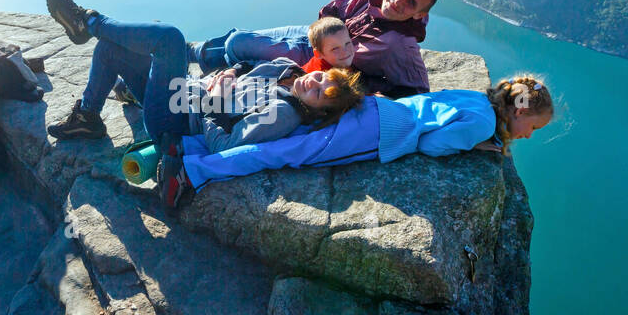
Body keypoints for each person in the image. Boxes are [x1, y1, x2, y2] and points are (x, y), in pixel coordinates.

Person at [43, 0, 366, 207]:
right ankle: (87, 115)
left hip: (177, 119)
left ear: (318, 111)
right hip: (182, 89)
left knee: (169, 39)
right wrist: (230, 74)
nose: (316, 84)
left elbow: (225, 146)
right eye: (322, 78)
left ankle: (88, 20)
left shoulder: (283, 114)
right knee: (112, 48)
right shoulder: (286, 69)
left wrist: (215, 105)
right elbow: (245, 64)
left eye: (322, 95)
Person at [177, 76, 554, 189]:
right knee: (285, 153)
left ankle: (189, 144)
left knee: (294, 136)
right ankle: (196, 169)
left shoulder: (476, 97)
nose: (530, 135)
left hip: (375, 108)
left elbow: (429, 99)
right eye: (533, 126)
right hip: (374, 136)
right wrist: (474, 146)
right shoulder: (484, 125)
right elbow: (431, 144)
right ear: (519, 110)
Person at [190, 0, 439, 99]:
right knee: (245, 36)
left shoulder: (401, 45)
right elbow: (333, 8)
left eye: (411, 3)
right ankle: (194, 52)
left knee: (238, 43)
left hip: (321, 56)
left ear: (418, 15)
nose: (398, 1)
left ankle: (200, 58)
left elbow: (417, 91)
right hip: (313, 33)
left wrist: (363, 86)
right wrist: (326, 27)